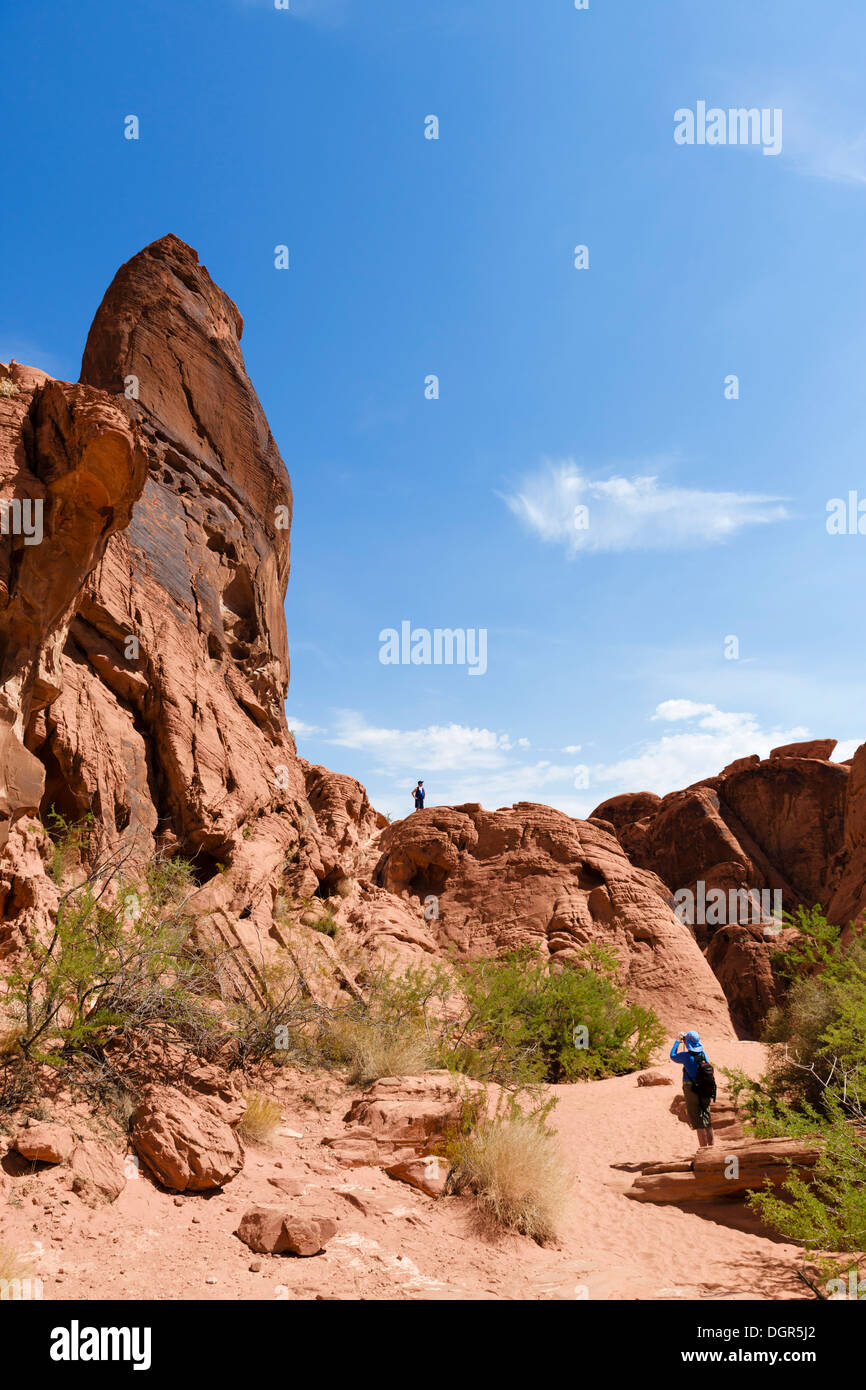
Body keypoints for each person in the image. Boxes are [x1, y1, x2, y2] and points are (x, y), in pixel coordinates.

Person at [670, 1030, 715, 1148]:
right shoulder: (703, 1054)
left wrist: (677, 1042)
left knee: (697, 1119)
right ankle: (712, 1147)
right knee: (707, 1118)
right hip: (705, 1087)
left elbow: (672, 1055)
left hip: (690, 1088)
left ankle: (703, 1149)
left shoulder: (686, 1056)